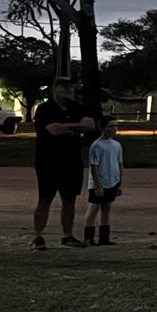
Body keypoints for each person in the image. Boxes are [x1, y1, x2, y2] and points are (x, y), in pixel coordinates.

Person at [31, 76, 97, 251]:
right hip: (48, 160)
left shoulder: (77, 107)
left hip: (72, 160)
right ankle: (38, 236)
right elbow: (54, 130)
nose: (69, 90)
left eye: (71, 87)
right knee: (45, 198)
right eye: (64, 87)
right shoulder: (45, 109)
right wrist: (76, 127)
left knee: (69, 199)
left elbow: (90, 126)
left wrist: (65, 126)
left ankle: (67, 235)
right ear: (55, 88)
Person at [83, 117, 124, 246]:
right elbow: (94, 166)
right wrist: (97, 185)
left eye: (116, 126)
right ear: (103, 128)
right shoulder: (97, 145)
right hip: (100, 182)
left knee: (106, 208)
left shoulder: (117, 145)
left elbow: (119, 164)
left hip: (112, 181)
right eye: (111, 126)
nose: (114, 129)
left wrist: (120, 183)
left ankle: (104, 237)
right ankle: (88, 237)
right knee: (94, 208)